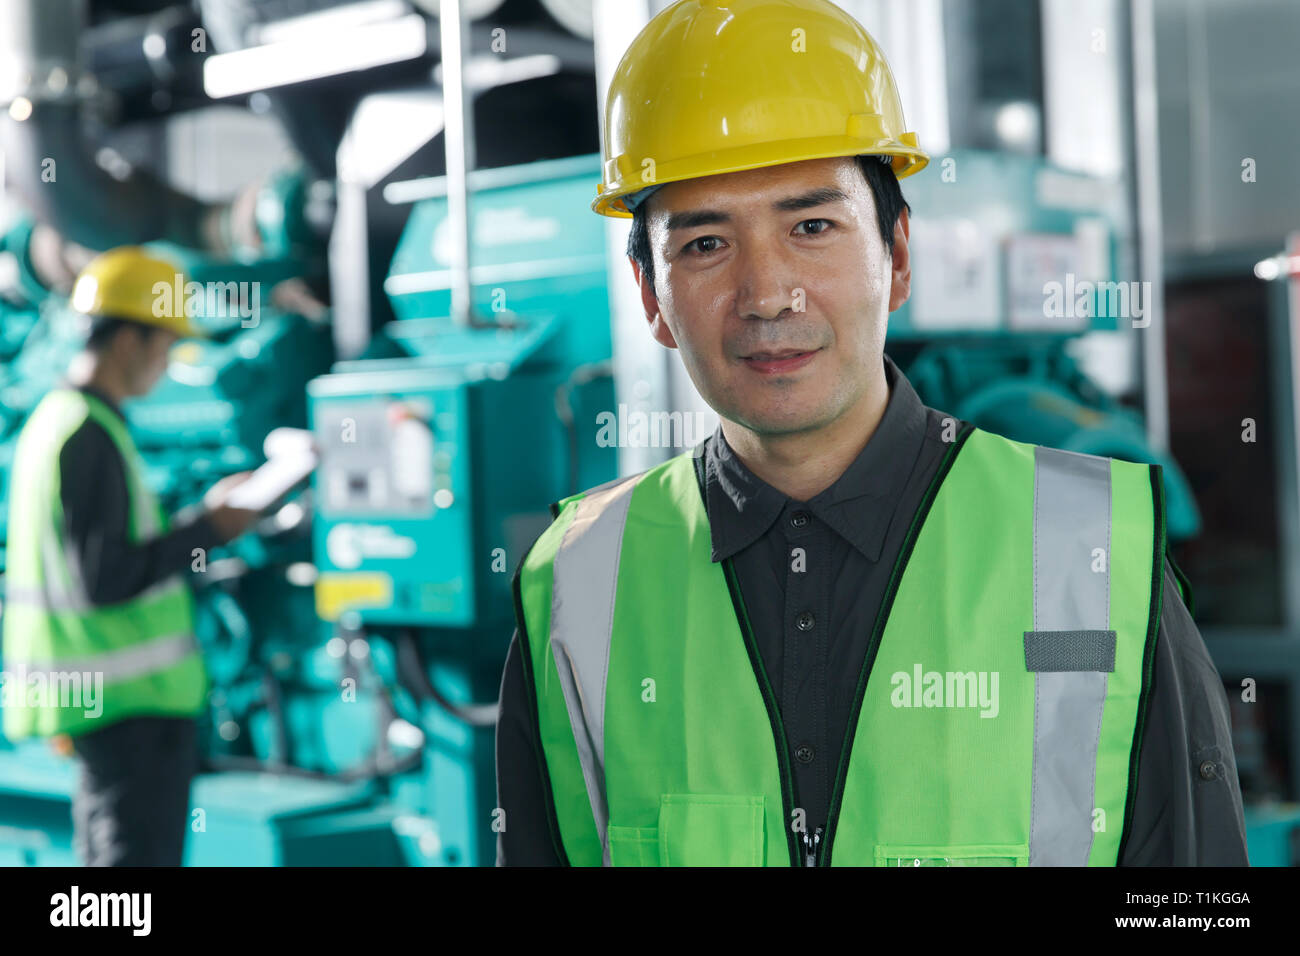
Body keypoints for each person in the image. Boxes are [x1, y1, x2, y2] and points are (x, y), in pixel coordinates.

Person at [495, 0, 1249, 866]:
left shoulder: (1088, 556)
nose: (768, 294)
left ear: (896, 255)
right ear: (649, 299)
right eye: (705, 243)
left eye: (811, 227)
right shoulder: (577, 585)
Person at [2, 246, 259, 865]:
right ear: (129, 341)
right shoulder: (87, 433)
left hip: (104, 704)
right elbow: (107, 577)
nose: (167, 363)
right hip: (127, 706)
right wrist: (212, 528)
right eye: (166, 344)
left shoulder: (58, 421)